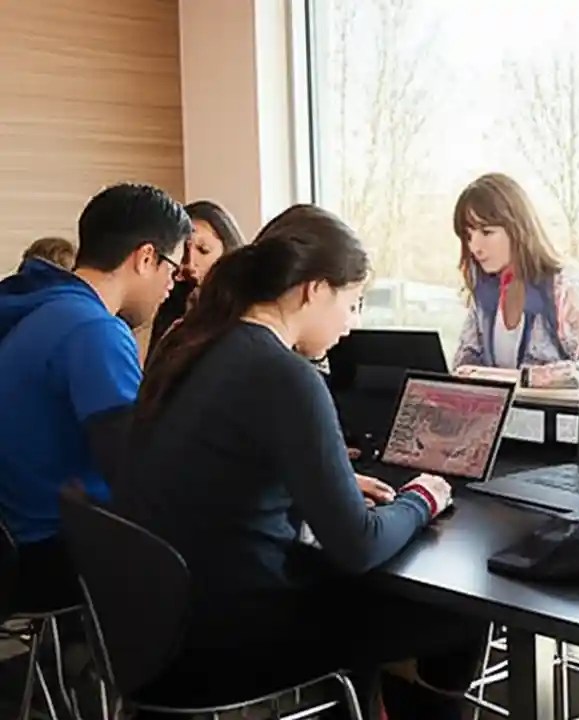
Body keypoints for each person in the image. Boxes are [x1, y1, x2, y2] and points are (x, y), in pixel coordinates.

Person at [115, 204, 485, 718]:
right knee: (459, 618)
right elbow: (358, 544)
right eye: (353, 303)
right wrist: (424, 496)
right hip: (231, 641)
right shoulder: (285, 374)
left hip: (157, 629)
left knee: (358, 601)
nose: (352, 326)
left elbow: (222, 464)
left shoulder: (190, 343)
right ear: (314, 289)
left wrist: (329, 478)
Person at [0, 183, 189, 611]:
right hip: (52, 555)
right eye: (172, 270)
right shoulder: (93, 329)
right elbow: (136, 468)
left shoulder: (40, 309)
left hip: (17, 540)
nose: (169, 288)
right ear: (145, 258)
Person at [452, 173, 579, 388]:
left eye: (487, 232)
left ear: (519, 229)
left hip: (557, 420)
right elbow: (464, 367)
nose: (475, 247)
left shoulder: (566, 285)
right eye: (468, 236)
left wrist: (523, 379)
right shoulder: (484, 294)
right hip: (506, 421)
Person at [148, 199, 246, 351]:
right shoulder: (170, 314)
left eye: (204, 250)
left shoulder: (246, 319)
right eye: (182, 252)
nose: (190, 264)